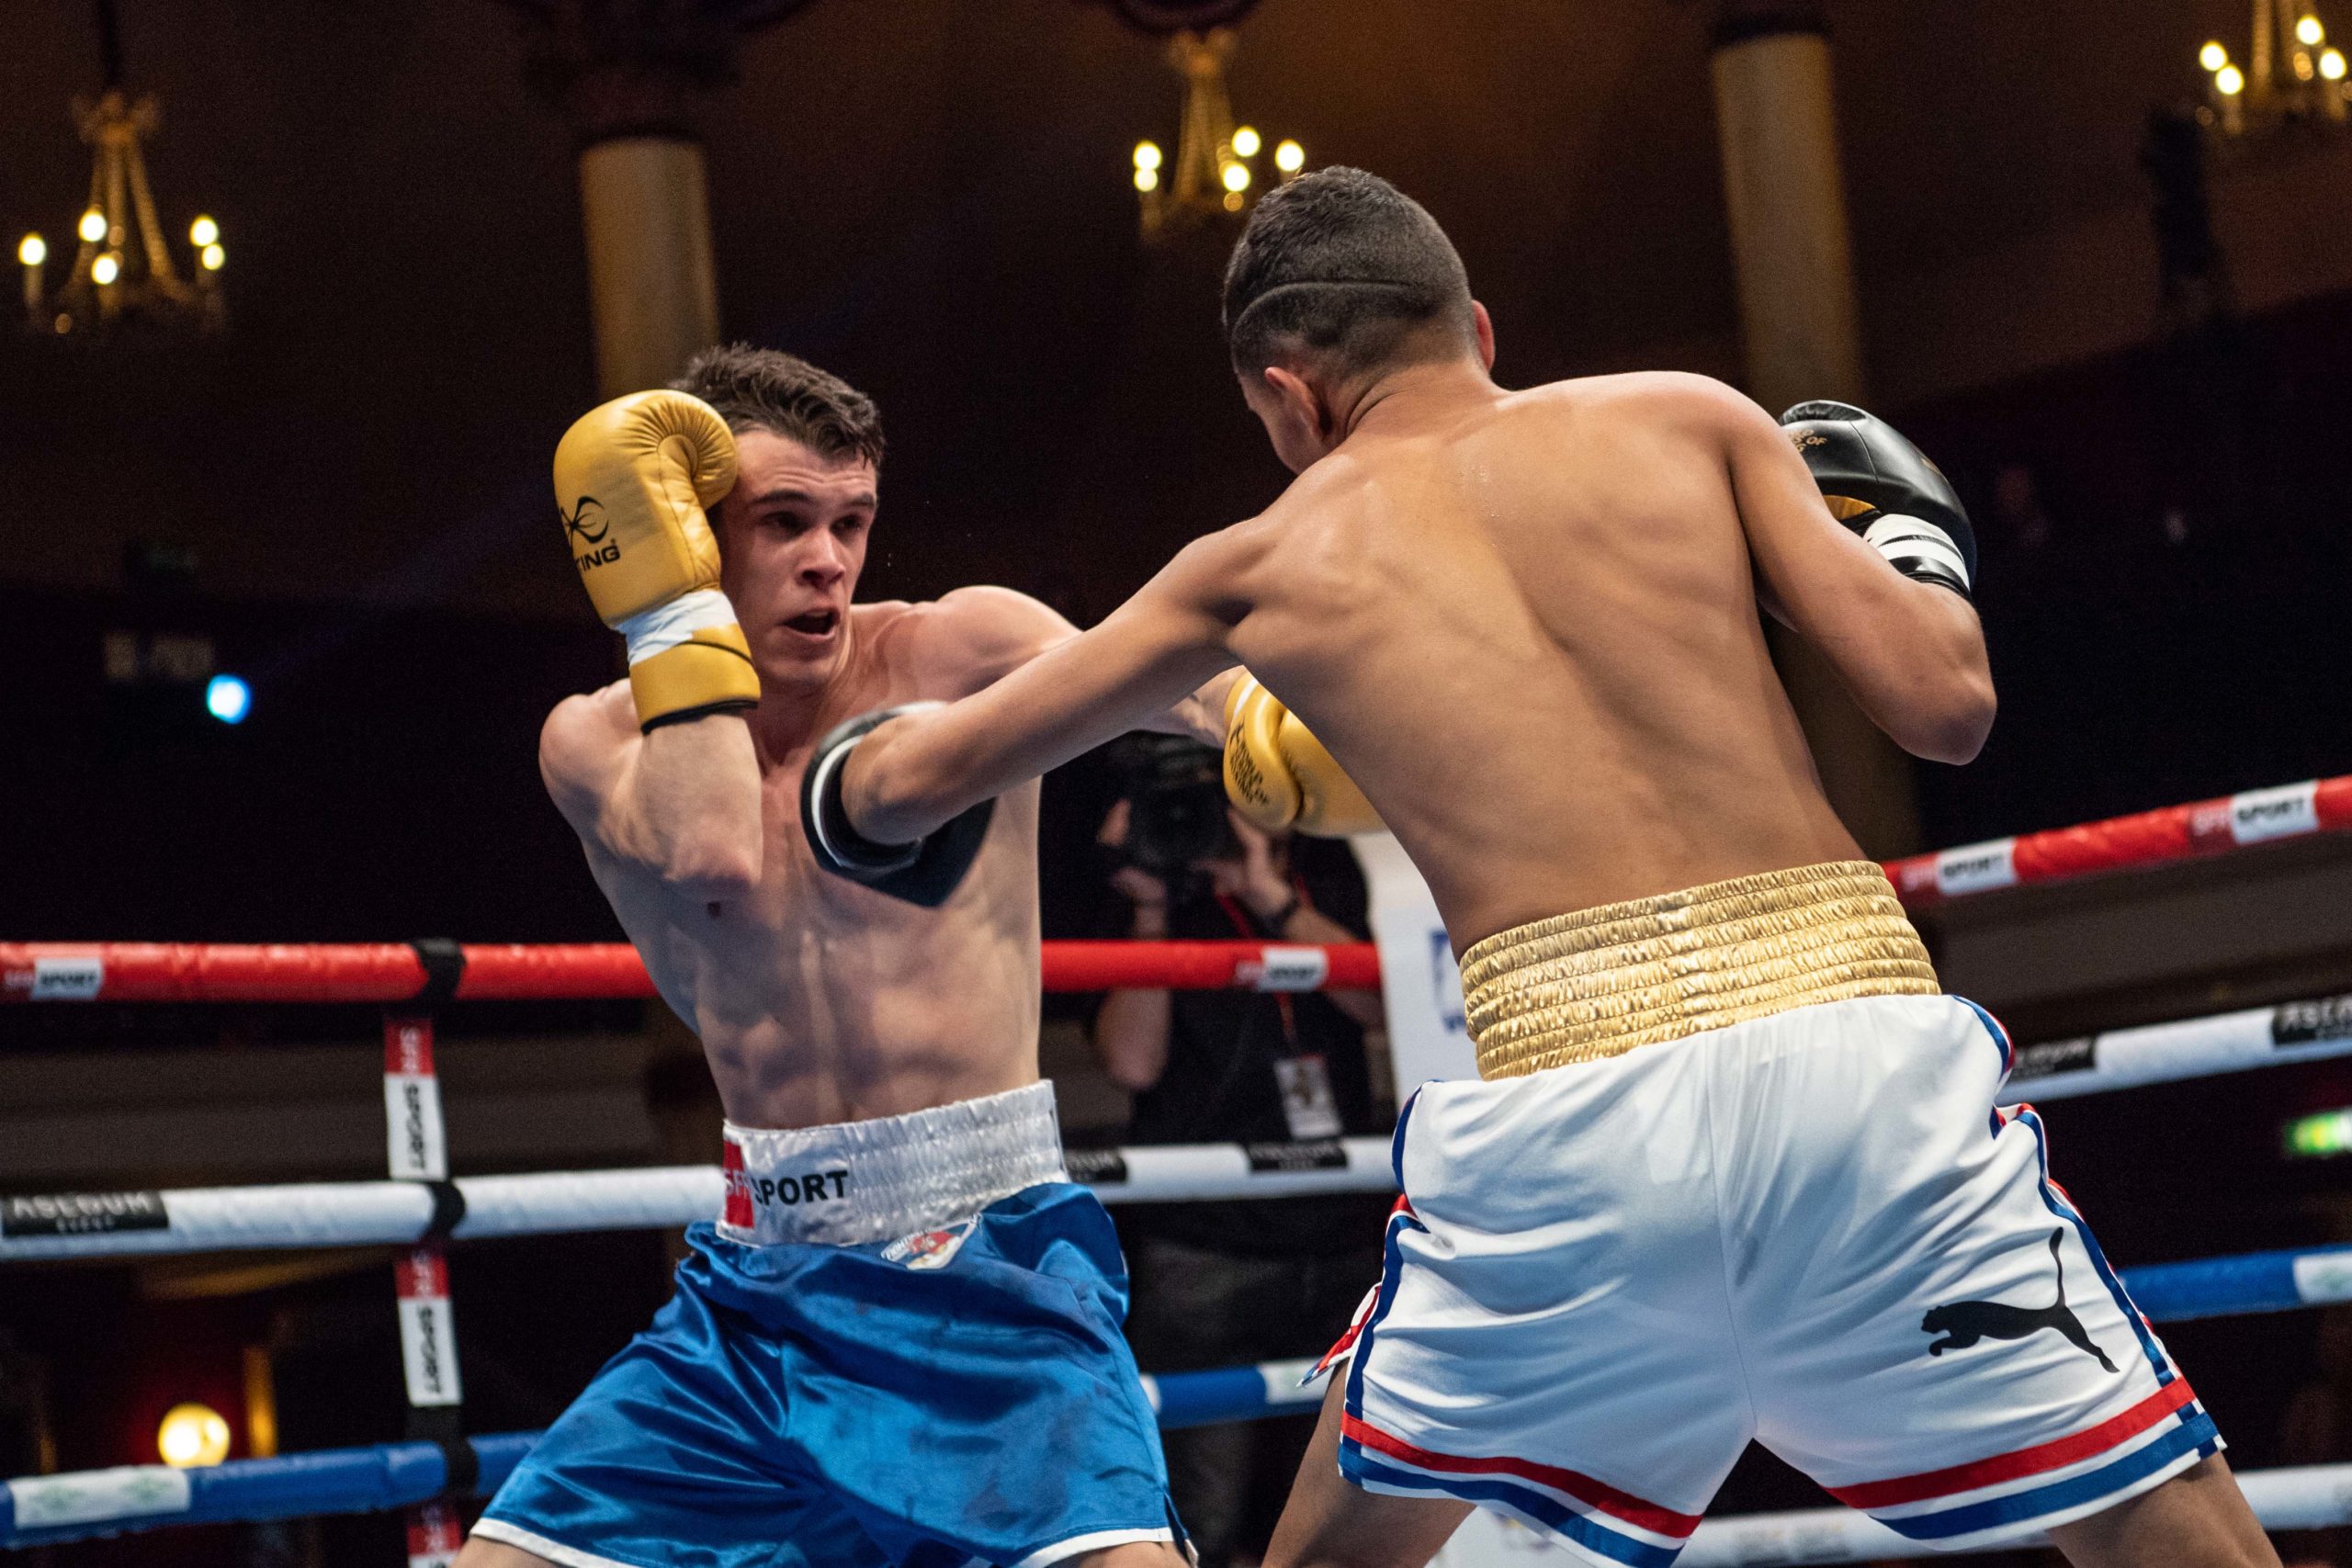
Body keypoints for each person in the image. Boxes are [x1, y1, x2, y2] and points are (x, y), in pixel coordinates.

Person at [810, 169, 2279, 1567]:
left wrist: (805, 735)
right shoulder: (1690, 419)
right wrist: (1913, 543)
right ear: (1479, 329)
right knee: (2162, 1513)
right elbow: (1947, 705)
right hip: (1863, 1074)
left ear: (1286, 392)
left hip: (1566, 1133)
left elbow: (893, 788)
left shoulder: (1250, 565)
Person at [459, 345, 1221, 1568]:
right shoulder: (593, 742)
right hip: (759, 1296)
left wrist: (1298, 733)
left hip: (992, 1265)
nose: (829, 557)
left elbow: (1197, 693)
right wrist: (674, 605)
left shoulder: (960, 648)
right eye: (783, 521)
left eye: (851, 522)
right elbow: (712, 847)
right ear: (688, 531)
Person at [1093, 761, 1390, 1568]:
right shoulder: (1157, 884)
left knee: (1335, 1509)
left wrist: (1269, 892)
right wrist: (1150, 905)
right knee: (1202, 1510)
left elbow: (1380, 1004)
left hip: (1336, 1234)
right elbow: (1130, 1061)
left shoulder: (1322, 866)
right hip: (1206, 1242)